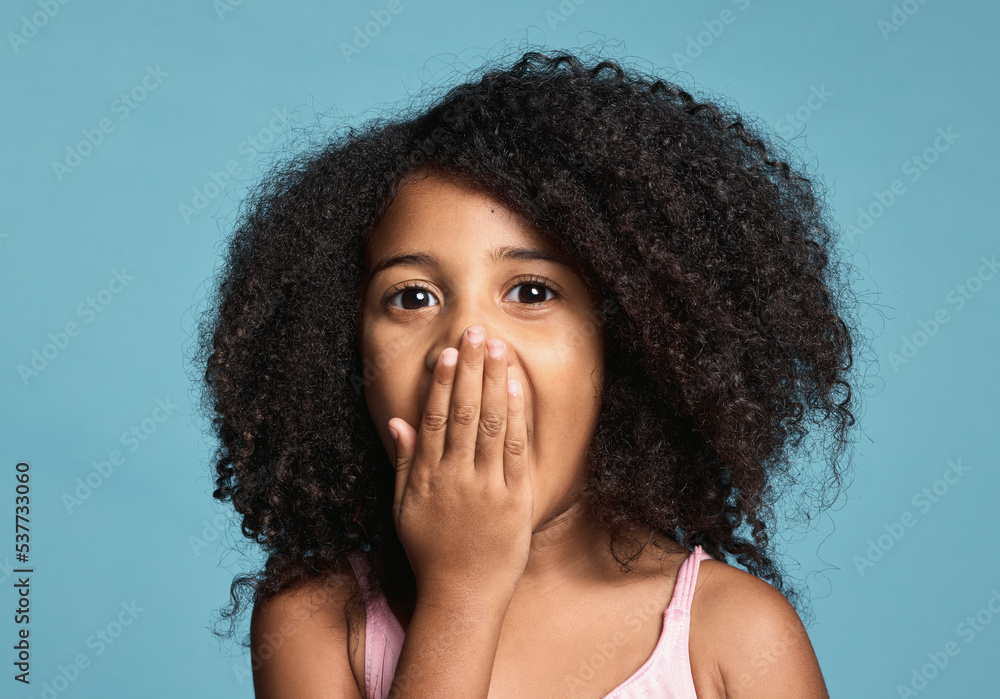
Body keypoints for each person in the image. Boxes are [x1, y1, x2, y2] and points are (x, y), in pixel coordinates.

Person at [195, 47, 862, 697]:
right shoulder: (317, 619)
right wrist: (462, 590)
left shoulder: (734, 636)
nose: (467, 342)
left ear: (629, 341)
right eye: (412, 297)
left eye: (532, 292)